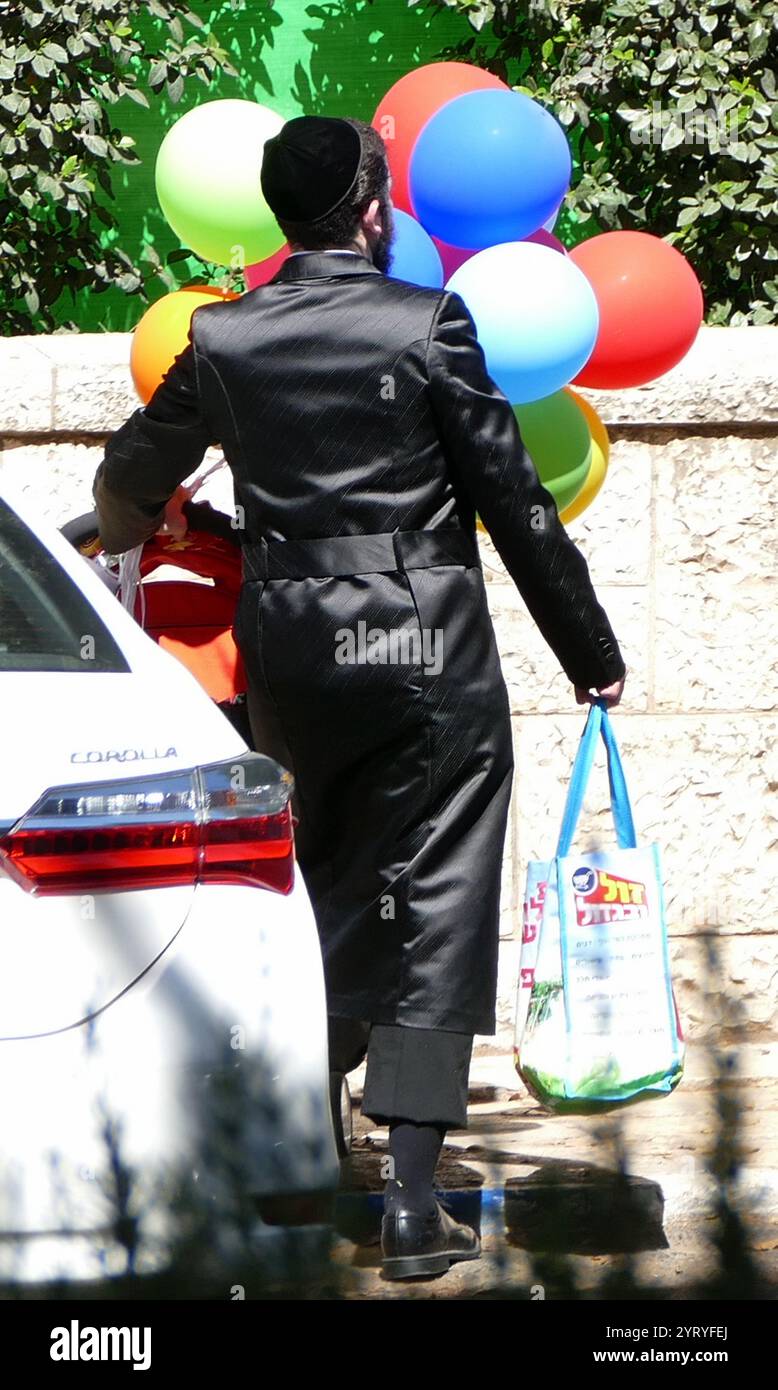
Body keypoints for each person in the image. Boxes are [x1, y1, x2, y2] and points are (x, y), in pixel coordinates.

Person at [92, 114, 626, 1280]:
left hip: (291, 654)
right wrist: (590, 648)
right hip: (422, 646)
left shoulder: (222, 337)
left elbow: (127, 479)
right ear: (374, 209)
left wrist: (138, 525)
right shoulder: (427, 322)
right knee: (434, 895)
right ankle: (411, 1205)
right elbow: (514, 499)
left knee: (324, 878)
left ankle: (287, 1134)